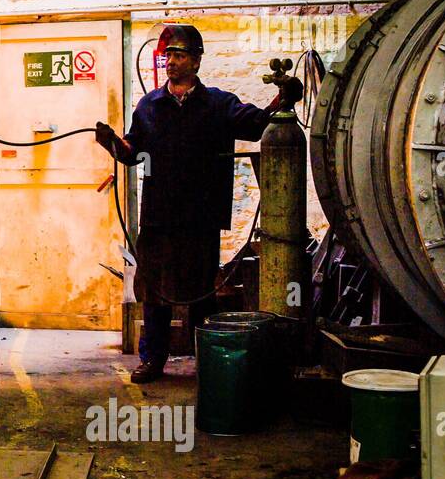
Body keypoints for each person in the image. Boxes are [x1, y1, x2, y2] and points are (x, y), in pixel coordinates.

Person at [95, 24, 302, 384]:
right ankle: (152, 360)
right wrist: (112, 143)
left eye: (178, 55)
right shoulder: (149, 107)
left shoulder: (218, 104)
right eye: (168, 56)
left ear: (196, 61)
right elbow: (131, 152)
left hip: (200, 216)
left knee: (201, 293)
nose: (170, 62)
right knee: (155, 292)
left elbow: (255, 125)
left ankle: (209, 360)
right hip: (159, 216)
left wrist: (281, 101)